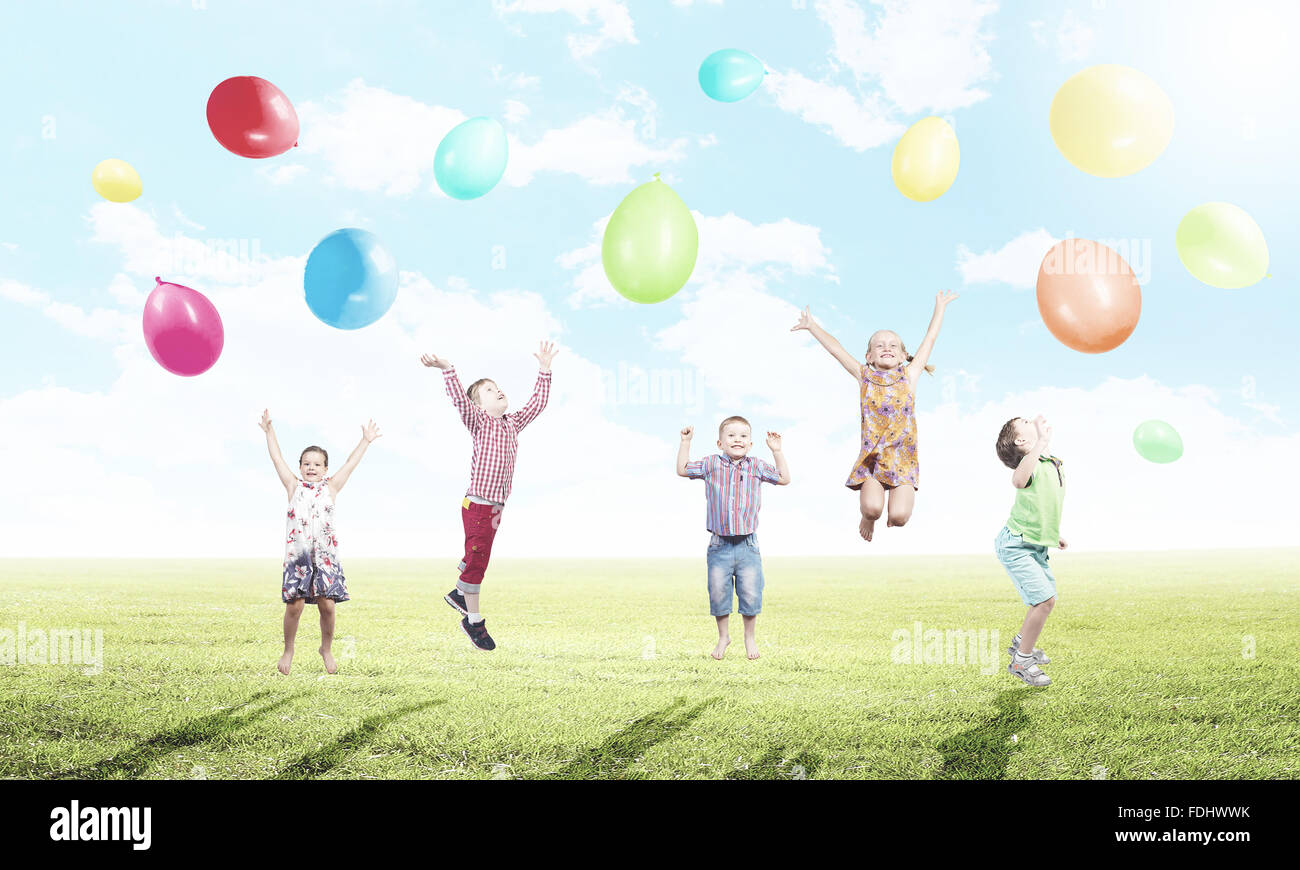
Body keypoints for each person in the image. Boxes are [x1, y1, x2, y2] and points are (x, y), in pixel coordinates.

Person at [421, 342, 558, 651]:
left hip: (494, 508)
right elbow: (459, 399)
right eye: (488, 390)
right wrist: (447, 368)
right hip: (479, 504)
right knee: (478, 561)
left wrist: (545, 370)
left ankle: (458, 594)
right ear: (479, 406)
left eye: (497, 388)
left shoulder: (513, 424)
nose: (497, 391)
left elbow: (537, 403)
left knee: (477, 552)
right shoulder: (480, 422)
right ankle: (473, 621)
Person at [791, 292, 956, 541]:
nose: (886, 347)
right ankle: (868, 517)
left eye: (893, 345)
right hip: (873, 463)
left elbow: (930, 339)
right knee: (873, 509)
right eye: (879, 345)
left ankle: (893, 515)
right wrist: (812, 326)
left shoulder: (909, 376)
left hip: (903, 462)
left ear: (903, 356)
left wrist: (940, 308)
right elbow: (837, 350)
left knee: (899, 518)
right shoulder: (863, 376)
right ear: (869, 357)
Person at [259, 409, 380, 675]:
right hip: (299, 558)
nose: (311, 468)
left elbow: (350, 463)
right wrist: (270, 432)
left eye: (317, 464)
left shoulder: (332, 487)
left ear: (325, 469)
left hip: (325, 557)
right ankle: (288, 649)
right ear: (300, 467)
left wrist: (365, 441)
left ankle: (326, 648)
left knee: (327, 604)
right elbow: (277, 458)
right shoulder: (293, 486)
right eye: (306, 463)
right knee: (296, 605)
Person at [677, 416, 790, 660]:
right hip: (720, 545)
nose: (737, 440)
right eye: (731, 436)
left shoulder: (757, 466)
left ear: (750, 444)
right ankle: (723, 637)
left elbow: (783, 478)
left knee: (750, 593)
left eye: (743, 436)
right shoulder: (711, 464)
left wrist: (777, 451)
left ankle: (750, 638)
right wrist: (686, 442)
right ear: (720, 442)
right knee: (719, 593)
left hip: (748, 544)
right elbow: (683, 469)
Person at [994, 415, 1067, 688]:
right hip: (1016, 545)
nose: (1032, 419)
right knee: (1044, 601)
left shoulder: (1050, 463)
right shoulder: (1031, 464)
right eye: (1025, 421)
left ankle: (1020, 644)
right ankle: (1021, 661)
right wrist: (1042, 444)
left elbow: (1043, 506)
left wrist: (1051, 535)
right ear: (1022, 441)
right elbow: (1018, 479)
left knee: (1047, 600)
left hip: (1035, 543)